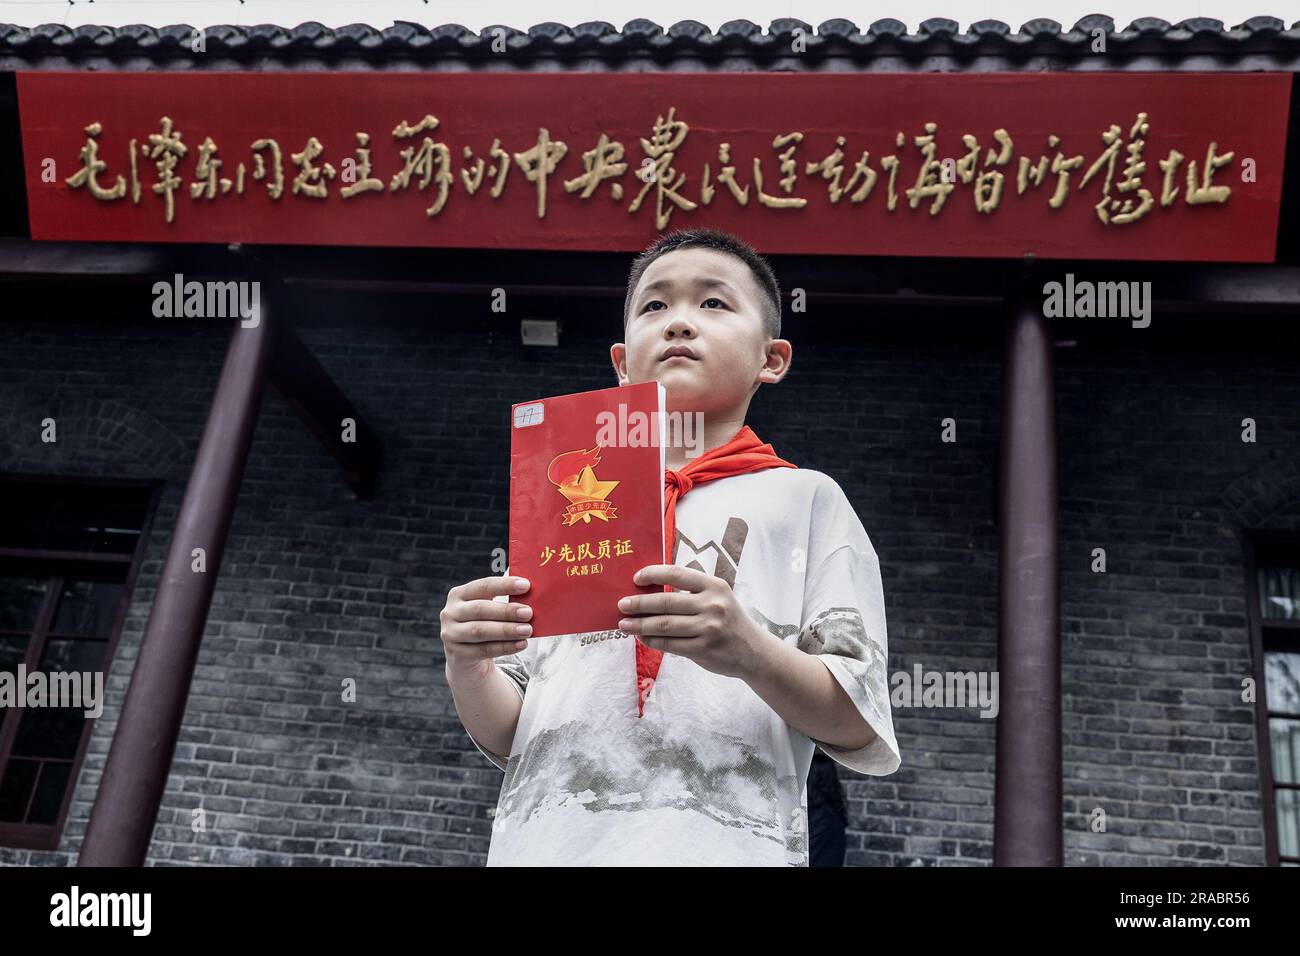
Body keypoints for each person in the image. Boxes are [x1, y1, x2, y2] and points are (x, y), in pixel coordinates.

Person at [440, 227, 900, 865]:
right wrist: (469, 665)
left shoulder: (808, 500)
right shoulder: (568, 502)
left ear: (773, 358)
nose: (679, 322)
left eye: (714, 303)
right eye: (654, 306)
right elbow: (513, 731)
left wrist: (750, 652)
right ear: (622, 363)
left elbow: (856, 721)